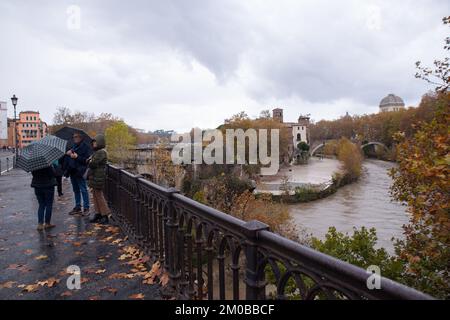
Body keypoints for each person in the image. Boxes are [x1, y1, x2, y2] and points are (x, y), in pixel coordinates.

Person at [64, 133, 92, 215]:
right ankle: (78, 207)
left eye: (76, 137)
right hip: (72, 171)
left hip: (80, 172)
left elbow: (86, 161)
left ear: (81, 137)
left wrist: (77, 157)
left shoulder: (85, 147)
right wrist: (68, 154)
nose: (75, 138)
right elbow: (70, 158)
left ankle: (86, 208)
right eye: (74, 137)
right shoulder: (73, 146)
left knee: (83, 190)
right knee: (76, 190)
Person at [87, 134, 110, 224]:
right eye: (93, 142)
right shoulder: (97, 152)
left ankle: (105, 215)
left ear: (100, 142)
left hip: (98, 176)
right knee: (95, 195)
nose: (93, 144)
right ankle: (98, 213)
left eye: (95, 142)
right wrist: (90, 160)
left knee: (99, 195)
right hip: (95, 175)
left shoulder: (101, 152)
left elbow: (93, 164)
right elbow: (92, 162)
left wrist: (89, 161)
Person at [31, 166, 56, 231]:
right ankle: (47, 223)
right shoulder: (47, 164)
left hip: (37, 186)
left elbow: (33, 174)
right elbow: (53, 173)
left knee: (41, 205)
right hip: (48, 186)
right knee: (49, 204)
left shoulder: (33, 165)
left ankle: (40, 224)